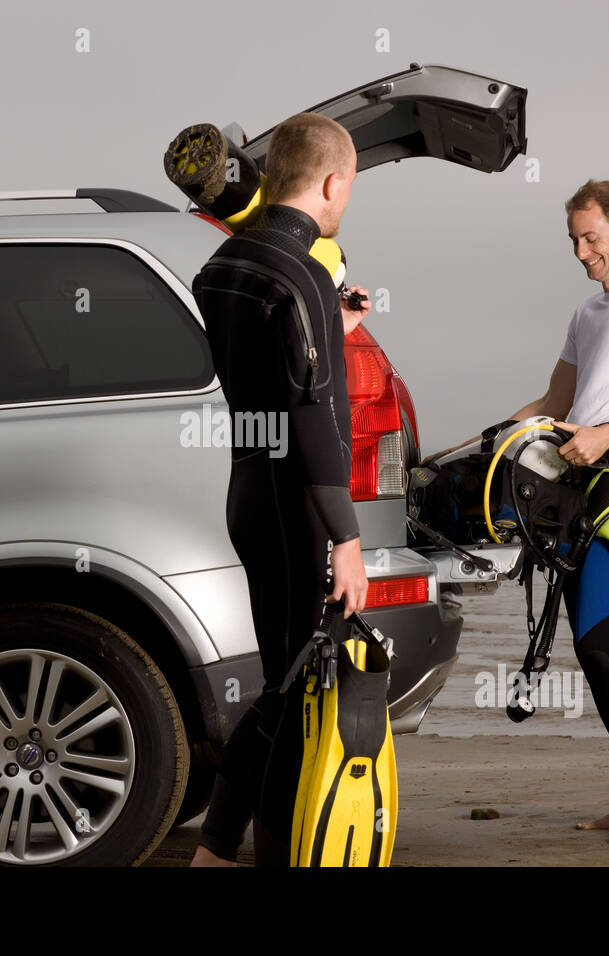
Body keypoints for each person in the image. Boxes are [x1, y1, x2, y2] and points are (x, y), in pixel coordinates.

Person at [449, 180, 609, 843]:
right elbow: (556, 402)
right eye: (574, 241)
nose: (582, 252)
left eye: (592, 238)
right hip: (584, 480)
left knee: (603, 638)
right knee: (598, 647)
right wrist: (478, 440)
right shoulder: (587, 314)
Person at [187, 113, 371, 866]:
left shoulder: (224, 266)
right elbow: (314, 420)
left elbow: (267, 372)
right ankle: (232, 850)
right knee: (290, 693)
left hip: (246, 494)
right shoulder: (303, 278)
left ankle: (225, 851)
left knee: (282, 680)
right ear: (332, 184)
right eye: (348, 190)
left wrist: (334, 328)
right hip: (296, 509)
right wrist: (348, 540)